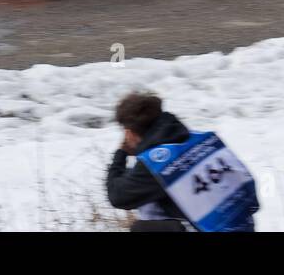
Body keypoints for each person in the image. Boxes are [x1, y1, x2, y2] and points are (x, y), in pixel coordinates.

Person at [106, 91, 258, 232]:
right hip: (244, 224)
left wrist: (121, 153)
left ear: (129, 133)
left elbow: (117, 197)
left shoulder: (157, 164)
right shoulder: (204, 139)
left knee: (140, 228)